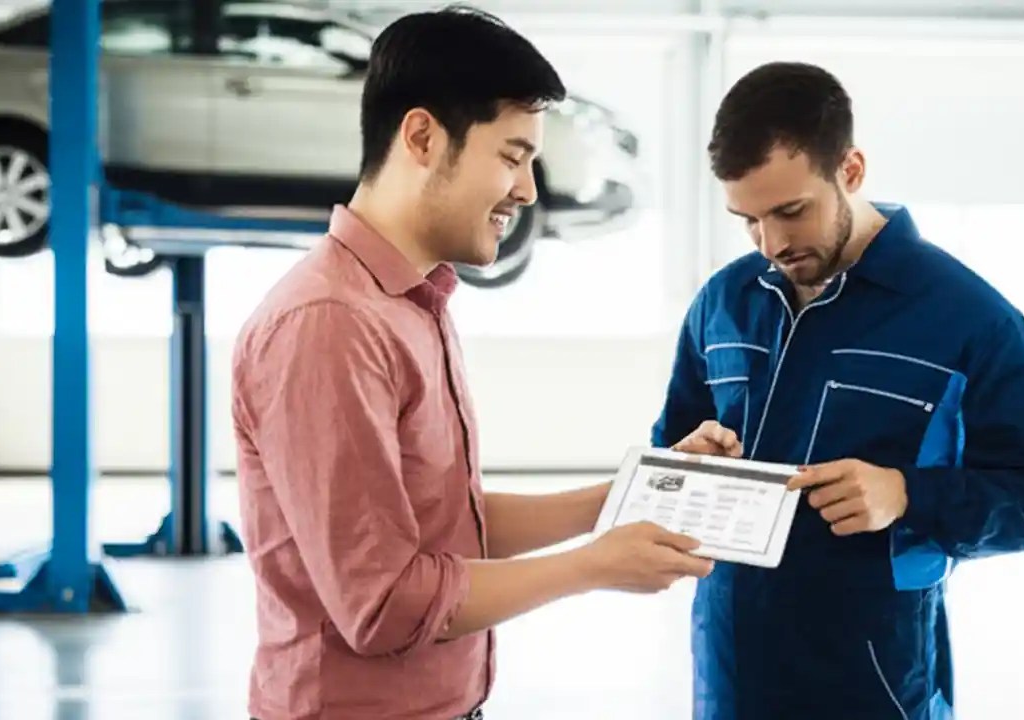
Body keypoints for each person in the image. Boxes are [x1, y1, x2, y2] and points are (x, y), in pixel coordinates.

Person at [230, 8, 718, 720]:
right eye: (513, 156)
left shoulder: (408, 303)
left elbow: (441, 525)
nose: (526, 190)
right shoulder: (330, 325)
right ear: (423, 138)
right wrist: (594, 566)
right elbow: (384, 603)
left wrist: (638, 493)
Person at [652, 61, 1024, 719]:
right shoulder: (723, 303)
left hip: (875, 674)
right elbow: (669, 454)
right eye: (747, 220)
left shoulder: (969, 318)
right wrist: (683, 464)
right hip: (729, 662)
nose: (770, 244)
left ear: (850, 171)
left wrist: (909, 494)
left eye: (790, 212)